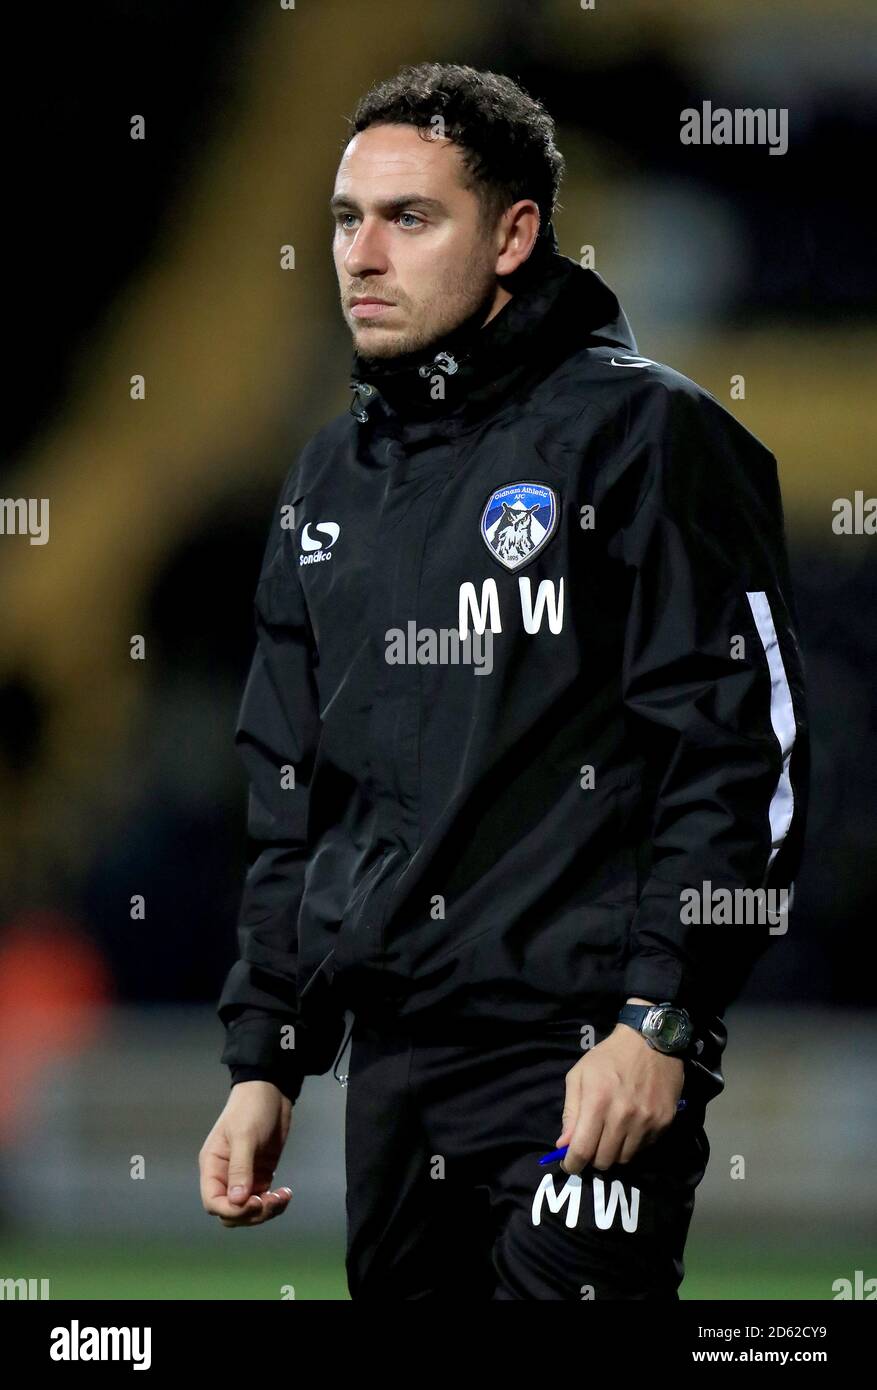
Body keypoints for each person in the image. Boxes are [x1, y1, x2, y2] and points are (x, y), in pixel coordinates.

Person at [199, 62, 809, 1299]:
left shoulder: (648, 439)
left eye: (408, 218)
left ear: (514, 234)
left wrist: (661, 1021)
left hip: (584, 1054)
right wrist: (266, 1054)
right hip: (397, 1071)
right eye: (343, 218)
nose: (360, 253)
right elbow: (291, 793)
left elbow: (744, 754)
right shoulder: (328, 480)